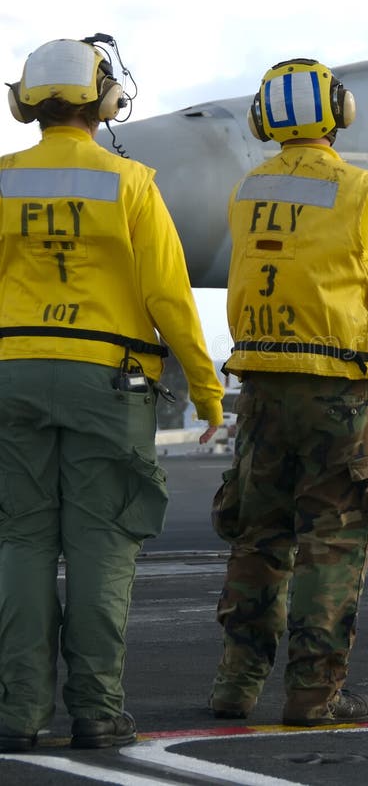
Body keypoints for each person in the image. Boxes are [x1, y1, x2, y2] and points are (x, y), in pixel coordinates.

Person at [0, 37, 224, 753]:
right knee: (100, 543)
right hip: (108, 381)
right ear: (105, 100)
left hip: (13, 375)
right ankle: (97, 711)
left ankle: (20, 710)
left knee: (21, 541)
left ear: (24, 103)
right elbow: (167, 293)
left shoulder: (1, 180)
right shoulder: (128, 182)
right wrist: (206, 385)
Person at [210, 58, 368, 726]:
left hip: (261, 391)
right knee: (329, 543)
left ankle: (236, 685)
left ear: (262, 120)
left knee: (259, 537)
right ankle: (313, 694)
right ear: (337, 113)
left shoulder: (247, 190)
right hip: (336, 392)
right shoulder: (359, 191)